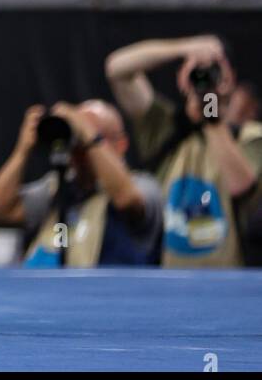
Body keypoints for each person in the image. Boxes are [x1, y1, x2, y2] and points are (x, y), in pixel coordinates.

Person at [105, 36, 262, 267]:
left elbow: (242, 187)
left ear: (231, 78)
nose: (204, 75)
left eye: (213, 68)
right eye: (195, 69)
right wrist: (183, 48)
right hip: (169, 279)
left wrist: (210, 114)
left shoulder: (251, 136)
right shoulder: (163, 126)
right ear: (181, 76)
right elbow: (116, 69)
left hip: (230, 279)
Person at [0, 101, 162, 267]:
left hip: (106, 289)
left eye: (96, 135)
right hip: (47, 287)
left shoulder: (142, 185)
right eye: (78, 137)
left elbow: (126, 200)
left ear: (121, 145)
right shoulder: (59, 189)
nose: (81, 148)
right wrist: (23, 149)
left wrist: (87, 133)